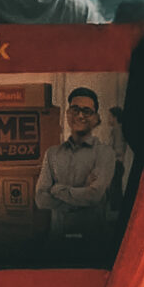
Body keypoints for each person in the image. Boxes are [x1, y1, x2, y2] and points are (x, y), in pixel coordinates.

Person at [34, 88, 117, 237]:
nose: (80, 115)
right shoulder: (52, 153)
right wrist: (80, 197)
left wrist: (57, 189)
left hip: (93, 242)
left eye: (87, 111)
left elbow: (93, 196)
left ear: (95, 118)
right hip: (58, 242)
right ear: (67, 114)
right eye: (75, 109)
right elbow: (41, 198)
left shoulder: (105, 154)